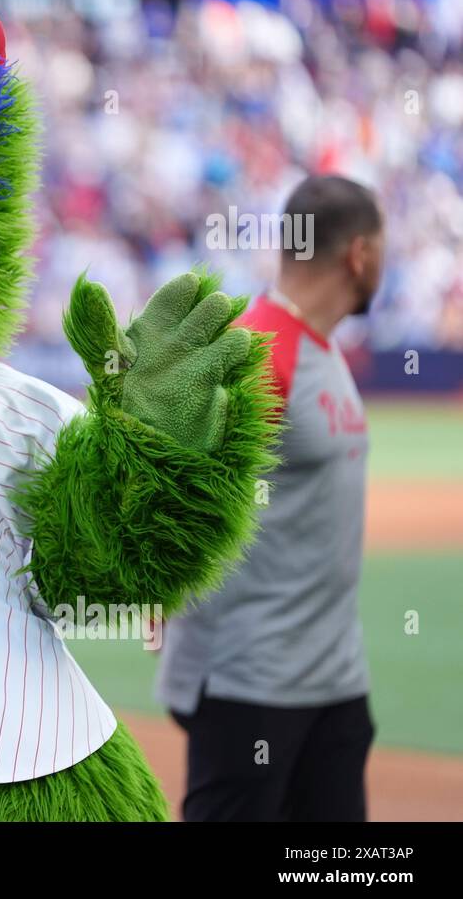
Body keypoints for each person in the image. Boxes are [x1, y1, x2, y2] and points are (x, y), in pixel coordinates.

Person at [156, 174, 385, 821]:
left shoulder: (320, 350)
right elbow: (173, 492)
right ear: (360, 254)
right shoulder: (257, 349)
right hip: (249, 683)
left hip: (335, 682)